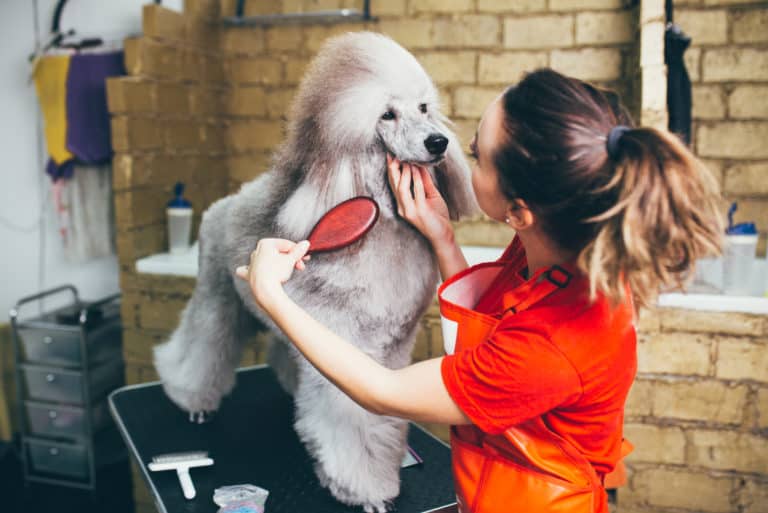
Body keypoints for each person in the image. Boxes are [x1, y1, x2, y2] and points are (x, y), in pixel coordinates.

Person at [234, 68, 723, 513]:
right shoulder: (565, 245)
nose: (457, 153)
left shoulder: (550, 348)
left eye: (477, 157)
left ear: (518, 211)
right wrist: (442, 236)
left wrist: (274, 297)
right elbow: (491, 319)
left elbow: (384, 392)